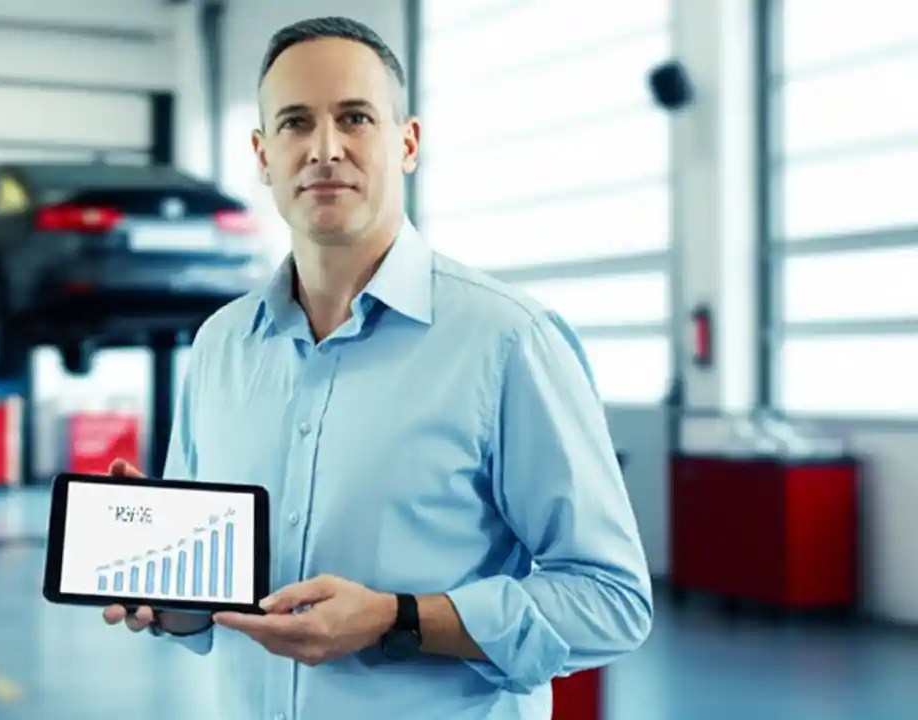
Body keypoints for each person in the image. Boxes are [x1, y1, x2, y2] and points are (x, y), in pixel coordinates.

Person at [100, 15, 653, 720]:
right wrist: (168, 595)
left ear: (408, 142)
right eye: (296, 123)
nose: (324, 149)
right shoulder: (219, 348)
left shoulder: (508, 342)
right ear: (264, 155)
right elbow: (206, 612)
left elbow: (613, 601)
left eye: (354, 117)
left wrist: (398, 618)